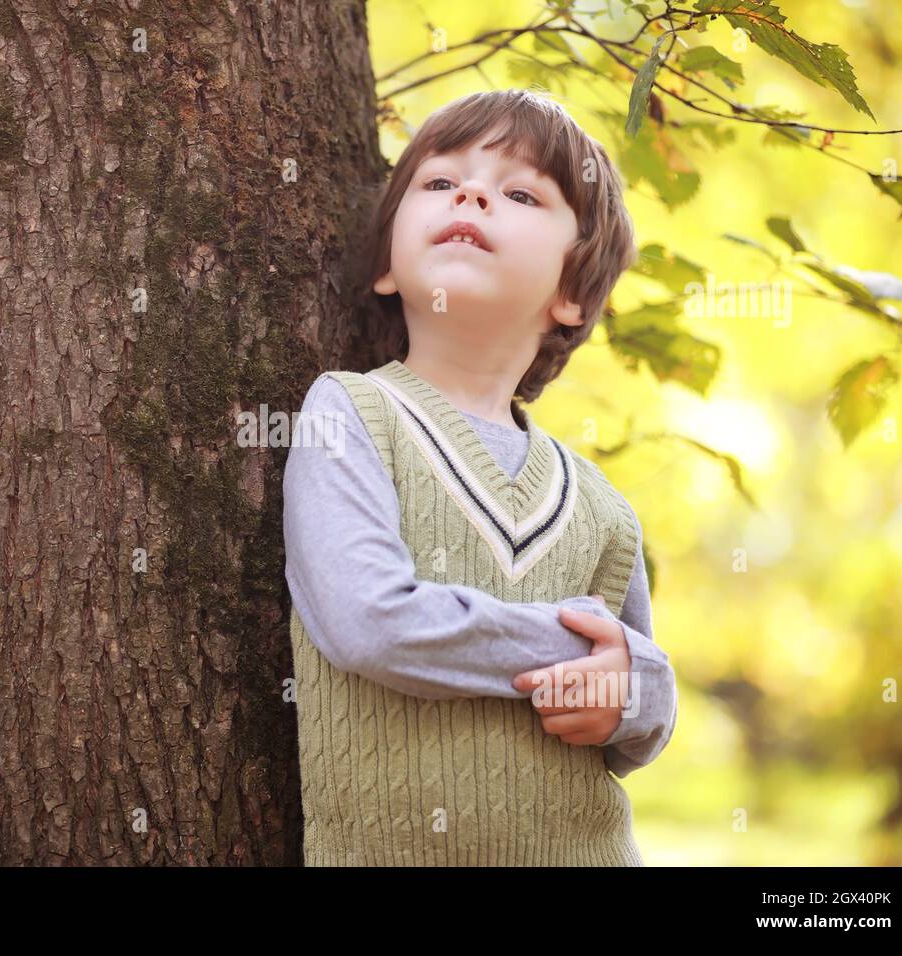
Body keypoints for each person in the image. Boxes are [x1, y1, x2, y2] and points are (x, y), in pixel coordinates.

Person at [283, 89, 677, 866]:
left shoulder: (603, 509)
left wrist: (640, 690)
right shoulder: (351, 413)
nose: (470, 194)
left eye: (521, 193)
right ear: (390, 270)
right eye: (438, 183)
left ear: (571, 294)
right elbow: (370, 623)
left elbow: (633, 717)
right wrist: (574, 655)